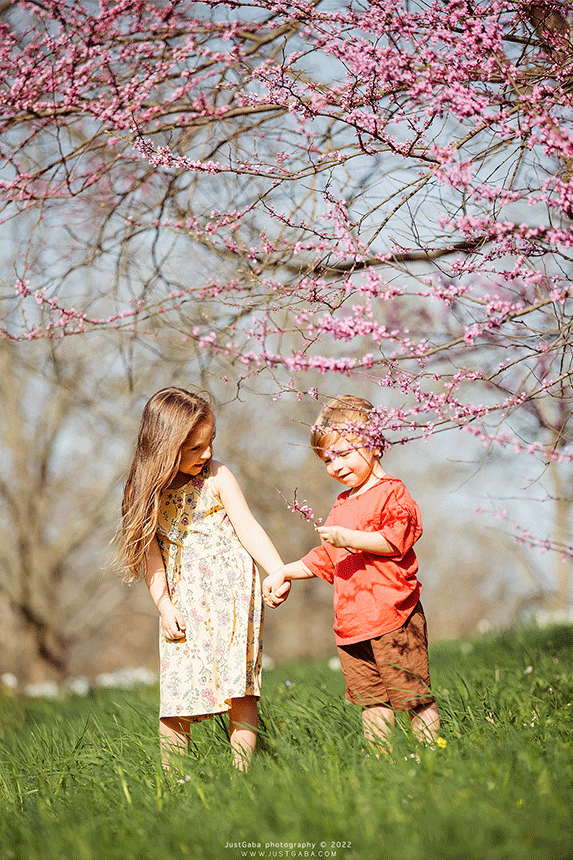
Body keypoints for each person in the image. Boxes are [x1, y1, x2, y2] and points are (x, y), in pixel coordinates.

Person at [118, 387, 283, 771]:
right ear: (163, 446)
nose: (206, 453)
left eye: (210, 443)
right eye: (194, 448)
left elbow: (248, 527)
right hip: (182, 601)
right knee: (176, 695)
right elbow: (150, 555)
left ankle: (243, 778)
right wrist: (163, 605)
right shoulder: (141, 492)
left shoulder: (218, 475)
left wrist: (276, 570)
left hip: (233, 592)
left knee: (239, 689)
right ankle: (174, 786)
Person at [263, 395, 440, 752]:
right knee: (371, 701)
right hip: (352, 624)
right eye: (327, 459)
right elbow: (326, 558)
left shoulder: (392, 493)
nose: (335, 465)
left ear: (374, 444)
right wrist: (283, 572)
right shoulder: (343, 504)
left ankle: (433, 756)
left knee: (412, 694)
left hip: (394, 616)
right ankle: (383, 768)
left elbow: (395, 540)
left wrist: (350, 538)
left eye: (343, 453)